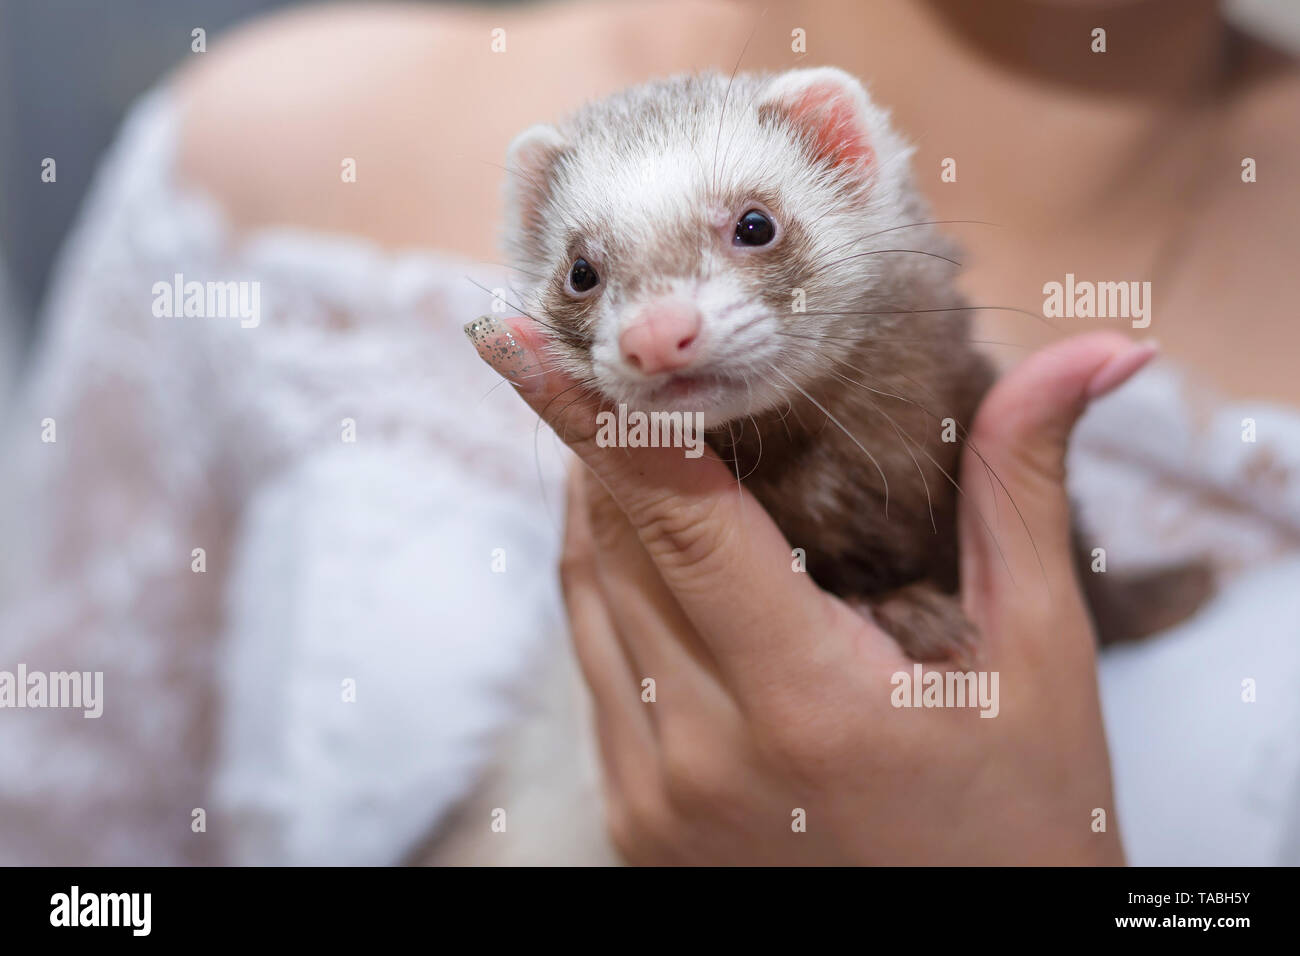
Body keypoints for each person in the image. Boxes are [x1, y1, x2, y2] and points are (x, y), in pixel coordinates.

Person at [3, 0, 1297, 864]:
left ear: (845, 165)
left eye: (748, 233)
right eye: (584, 278)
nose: (663, 326)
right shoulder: (268, 131)